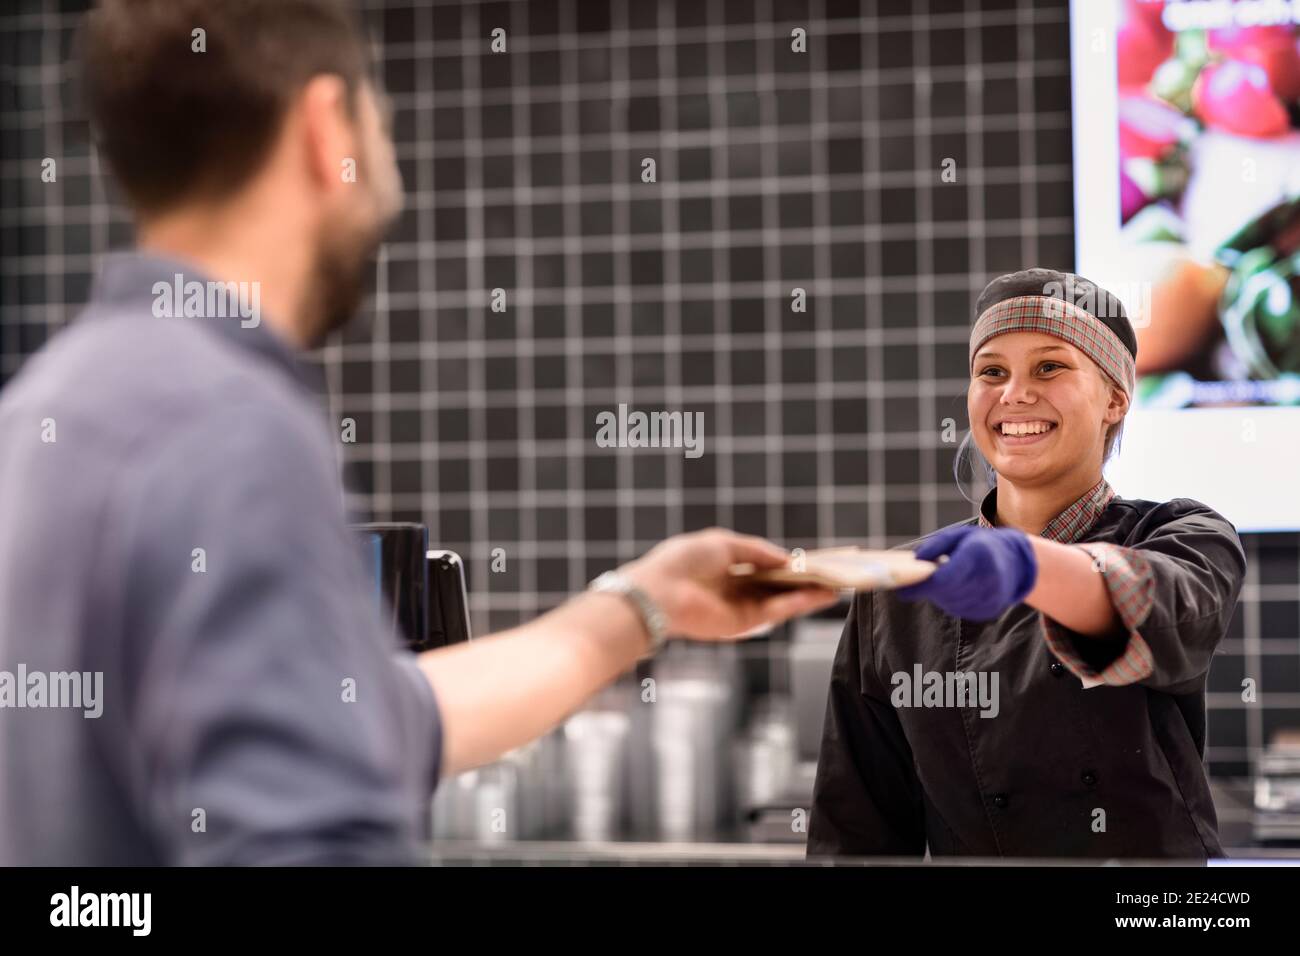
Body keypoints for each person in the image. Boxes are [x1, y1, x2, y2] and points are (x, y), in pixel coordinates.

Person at [0, 0, 838, 865]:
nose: (391, 181)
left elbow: (366, 716)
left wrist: (643, 605)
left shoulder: (46, 411)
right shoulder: (228, 428)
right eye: (385, 127)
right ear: (330, 132)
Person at [808, 268, 1247, 859]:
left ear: (1115, 398)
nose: (1014, 394)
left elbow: (1160, 611)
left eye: (1050, 367)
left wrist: (1026, 565)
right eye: (991, 371)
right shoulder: (900, 587)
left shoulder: (1183, 535)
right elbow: (856, 832)